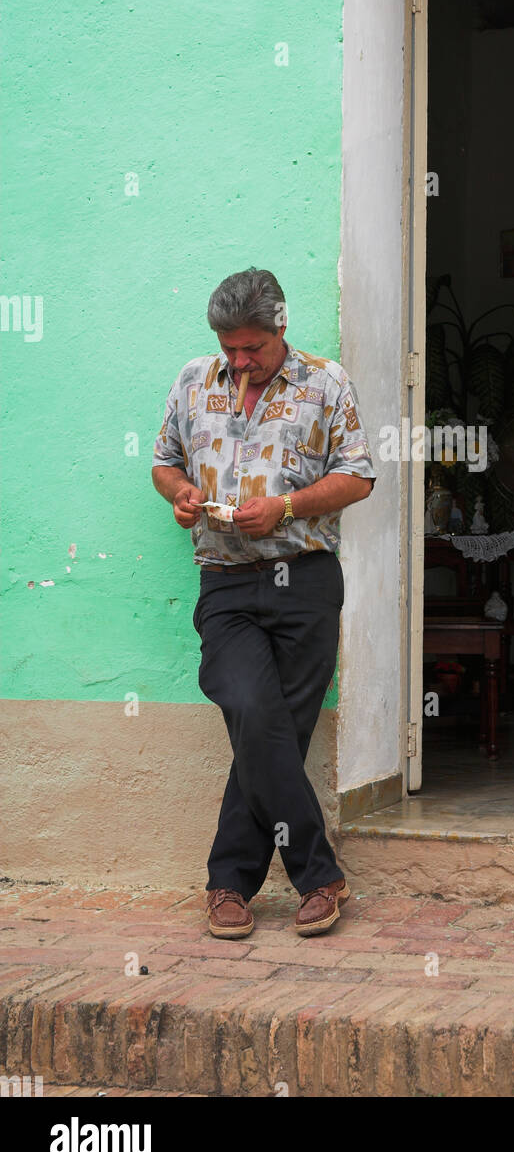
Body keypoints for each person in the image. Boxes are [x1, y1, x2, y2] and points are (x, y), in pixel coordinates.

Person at [151, 268, 375, 937]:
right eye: (230, 349)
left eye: (252, 347)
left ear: (281, 328)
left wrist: (285, 506)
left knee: (271, 734)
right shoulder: (195, 380)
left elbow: (358, 477)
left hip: (304, 580)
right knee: (251, 709)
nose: (240, 361)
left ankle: (228, 885)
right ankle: (320, 876)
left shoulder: (325, 383)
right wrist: (181, 496)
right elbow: (164, 462)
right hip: (225, 581)